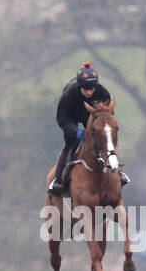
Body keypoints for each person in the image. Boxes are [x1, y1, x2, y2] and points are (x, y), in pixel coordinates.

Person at [48, 61, 130, 196]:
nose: (89, 92)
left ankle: (118, 172)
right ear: (80, 86)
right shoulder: (69, 94)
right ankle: (57, 179)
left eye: (92, 89)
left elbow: (108, 114)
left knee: (105, 139)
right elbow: (62, 118)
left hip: (92, 117)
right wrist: (74, 130)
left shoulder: (102, 92)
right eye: (86, 89)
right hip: (72, 118)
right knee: (70, 143)